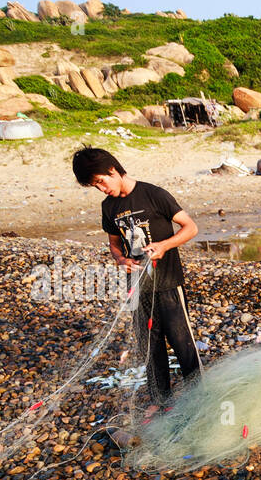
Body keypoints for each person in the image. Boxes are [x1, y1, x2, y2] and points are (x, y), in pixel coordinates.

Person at [72, 147, 201, 419]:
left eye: (100, 181)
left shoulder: (153, 194)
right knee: (149, 344)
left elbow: (190, 227)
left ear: (113, 171)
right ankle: (159, 399)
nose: (100, 188)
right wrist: (121, 260)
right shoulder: (108, 207)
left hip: (167, 283)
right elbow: (114, 244)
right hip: (137, 287)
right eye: (94, 185)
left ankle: (198, 395)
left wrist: (164, 246)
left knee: (181, 341)